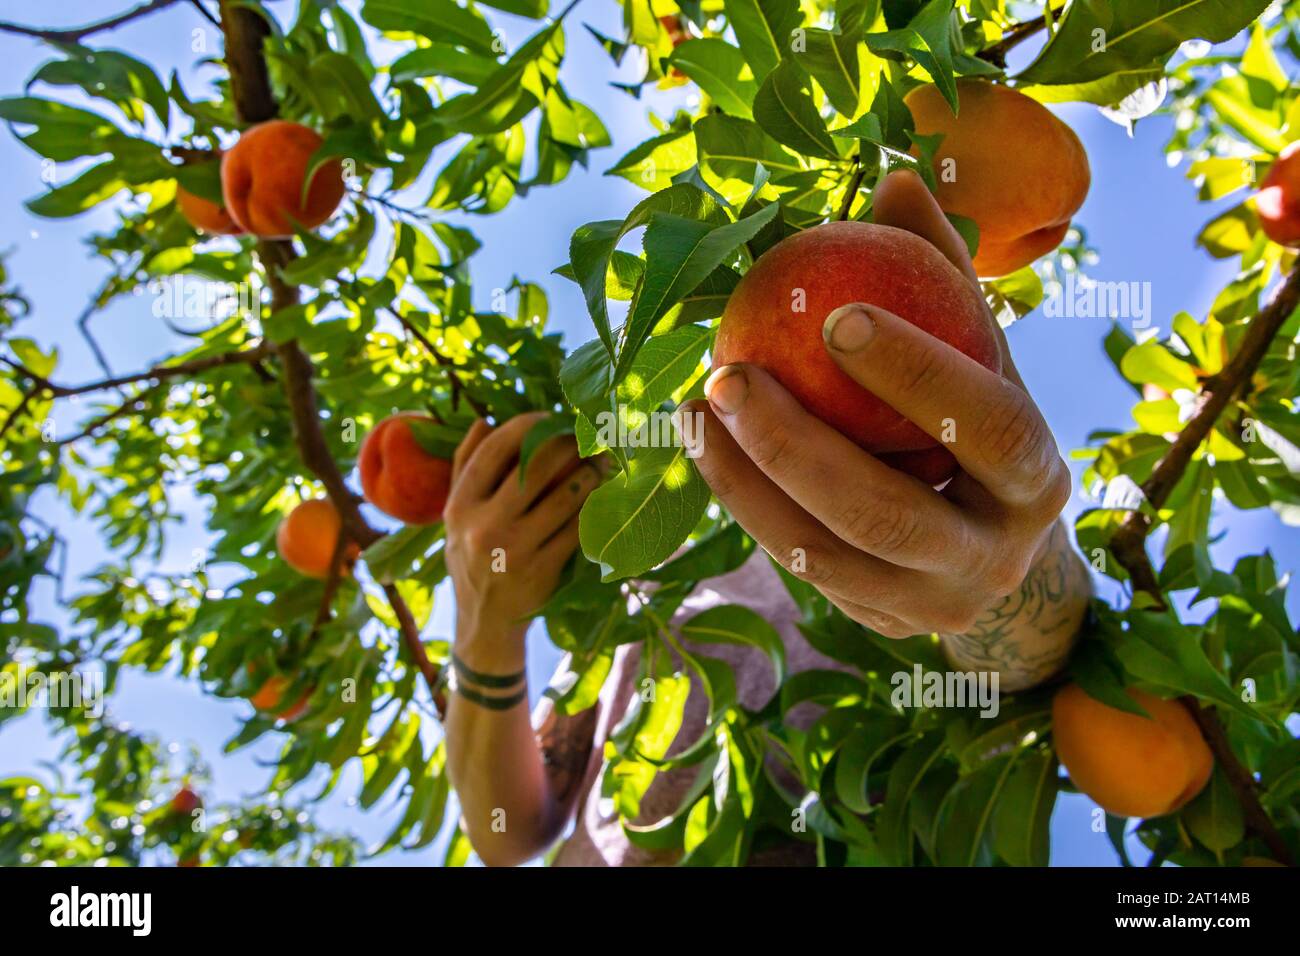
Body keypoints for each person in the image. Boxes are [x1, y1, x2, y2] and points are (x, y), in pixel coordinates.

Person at [441, 170, 1093, 866]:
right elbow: (510, 834)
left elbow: (1034, 652)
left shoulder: (914, 554)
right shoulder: (649, 594)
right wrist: (486, 631)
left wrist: (1013, 560)